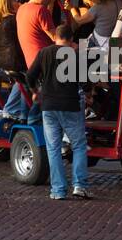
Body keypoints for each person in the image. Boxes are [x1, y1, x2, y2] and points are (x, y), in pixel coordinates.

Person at [27, 23, 91, 200]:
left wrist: (35, 92)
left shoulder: (44, 53)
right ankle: (80, 185)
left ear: (55, 36)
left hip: (48, 105)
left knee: (53, 147)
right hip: (70, 104)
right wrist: (89, 93)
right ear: (71, 40)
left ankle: (58, 190)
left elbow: (30, 75)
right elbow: (85, 82)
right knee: (78, 145)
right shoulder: (76, 55)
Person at [0, 0, 29, 122]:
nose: (16, 1)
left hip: (3, 61)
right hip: (15, 60)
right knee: (27, 81)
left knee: (20, 82)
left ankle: (11, 109)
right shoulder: (14, 19)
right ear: (9, 2)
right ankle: (23, 114)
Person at [17, 0, 58, 66]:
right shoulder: (41, 9)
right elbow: (55, 37)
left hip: (31, 63)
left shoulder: (21, 9)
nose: (50, 0)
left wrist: (51, 4)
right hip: (46, 61)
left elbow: (42, 23)